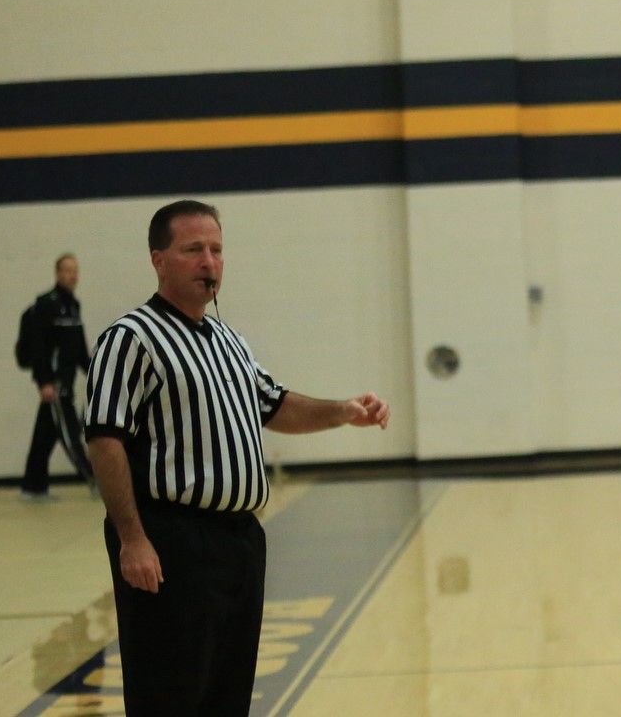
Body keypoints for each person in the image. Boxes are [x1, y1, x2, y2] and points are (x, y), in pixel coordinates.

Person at [83, 199, 390, 716]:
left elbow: (275, 405)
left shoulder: (228, 342)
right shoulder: (130, 339)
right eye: (193, 249)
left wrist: (343, 411)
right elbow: (104, 439)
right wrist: (133, 538)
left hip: (239, 541)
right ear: (159, 260)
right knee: (170, 692)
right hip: (173, 540)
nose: (209, 261)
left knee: (227, 693)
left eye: (217, 250)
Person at [18, 253, 94, 499]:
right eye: (68, 270)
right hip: (56, 384)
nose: (73, 275)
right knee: (71, 434)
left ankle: (33, 487)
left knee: (44, 435)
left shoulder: (74, 305)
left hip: (68, 381)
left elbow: (79, 346)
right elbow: (39, 347)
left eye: (75, 270)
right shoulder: (46, 304)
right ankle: (96, 480)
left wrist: (95, 372)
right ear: (57, 273)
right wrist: (45, 381)